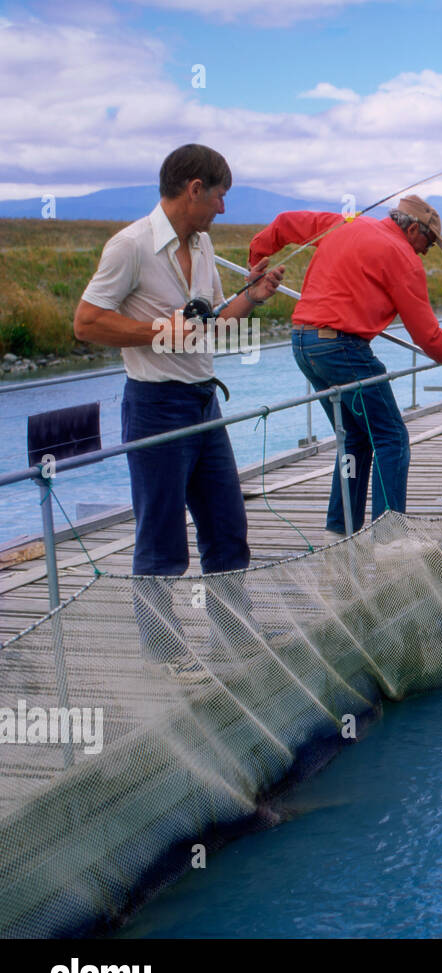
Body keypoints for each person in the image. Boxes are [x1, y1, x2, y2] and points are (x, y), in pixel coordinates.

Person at [74, 143, 286, 681]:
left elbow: (214, 324)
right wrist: (159, 331)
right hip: (154, 405)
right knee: (161, 534)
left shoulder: (205, 244)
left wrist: (255, 297)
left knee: (226, 525)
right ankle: (163, 656)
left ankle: (236, 634)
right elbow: (87, 323)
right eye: (219, 197)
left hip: (203, 401)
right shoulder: (130, 246)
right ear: (194, 188)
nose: (222, 209)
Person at [248, 196, 442, 536]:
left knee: (353, 439)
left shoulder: (345, 223)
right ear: (412, 229)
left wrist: (256, 258)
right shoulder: (403, 259)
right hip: (342, 349)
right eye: (427, 243)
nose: (425, 252)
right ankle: (390, 541)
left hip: (303, 344)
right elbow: (427, 335)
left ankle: (339, 532)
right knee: (391, 438)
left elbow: (284, 223)